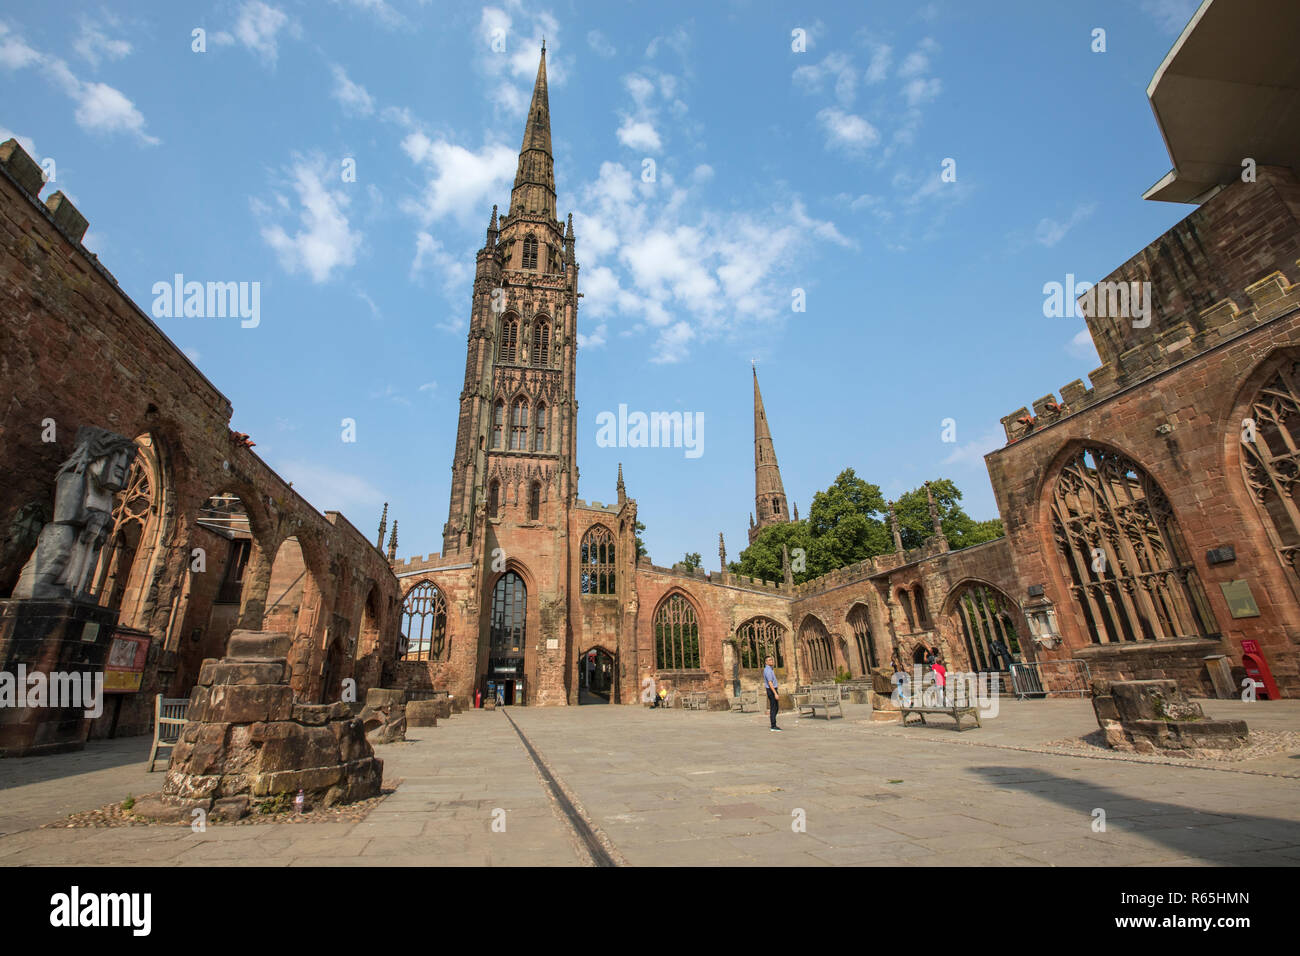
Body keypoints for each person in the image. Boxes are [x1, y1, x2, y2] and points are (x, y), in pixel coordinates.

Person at [763, 656, 781, 732]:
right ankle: (773, 725)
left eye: (772, 659)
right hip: (771, 690)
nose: (772, 661)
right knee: (774, 708)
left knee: (775, 707)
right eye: (769, 660)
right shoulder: (768, 670)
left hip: (772, 689)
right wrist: (775, 693)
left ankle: (773, 724)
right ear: (766, 662)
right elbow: (770, 683)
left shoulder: (770, 669)